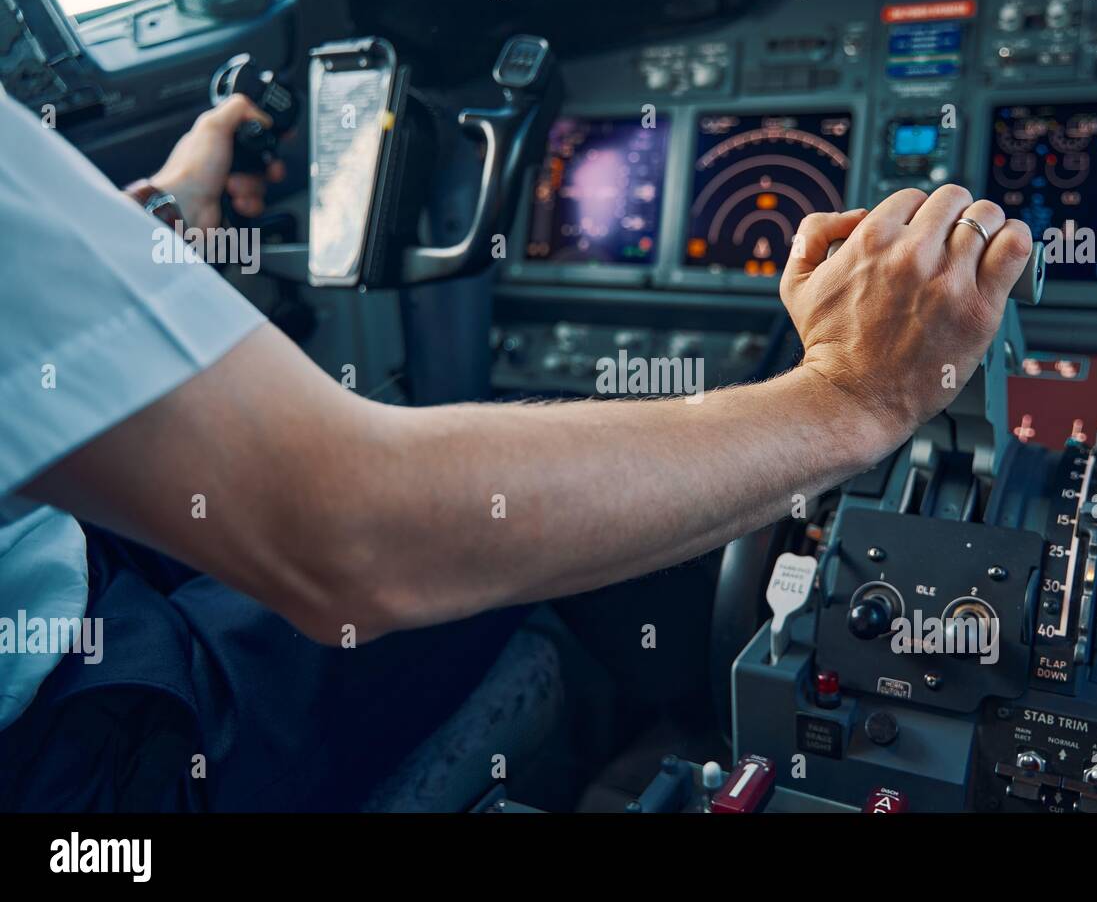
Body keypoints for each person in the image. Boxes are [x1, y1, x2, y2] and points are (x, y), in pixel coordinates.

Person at [0, 86, 1032, 809]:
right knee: (489, 519)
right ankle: (672, 716)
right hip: (69, 769)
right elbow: (358, 532)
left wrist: (170, 205)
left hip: (67, 555)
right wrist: (851, 396)